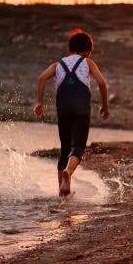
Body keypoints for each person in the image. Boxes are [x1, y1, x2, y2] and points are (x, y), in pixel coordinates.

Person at [34, 29, 109, 196]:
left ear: (69, 50)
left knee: (64, 148)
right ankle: (69, 173)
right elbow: (102, 83)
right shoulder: (88, 62)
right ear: (88, 52)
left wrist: (40, 102)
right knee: (78, 146)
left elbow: (41, 78)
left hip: (63, 108)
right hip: (81, 108)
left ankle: (62, 190)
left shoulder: (57, 65)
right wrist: (105, 106)